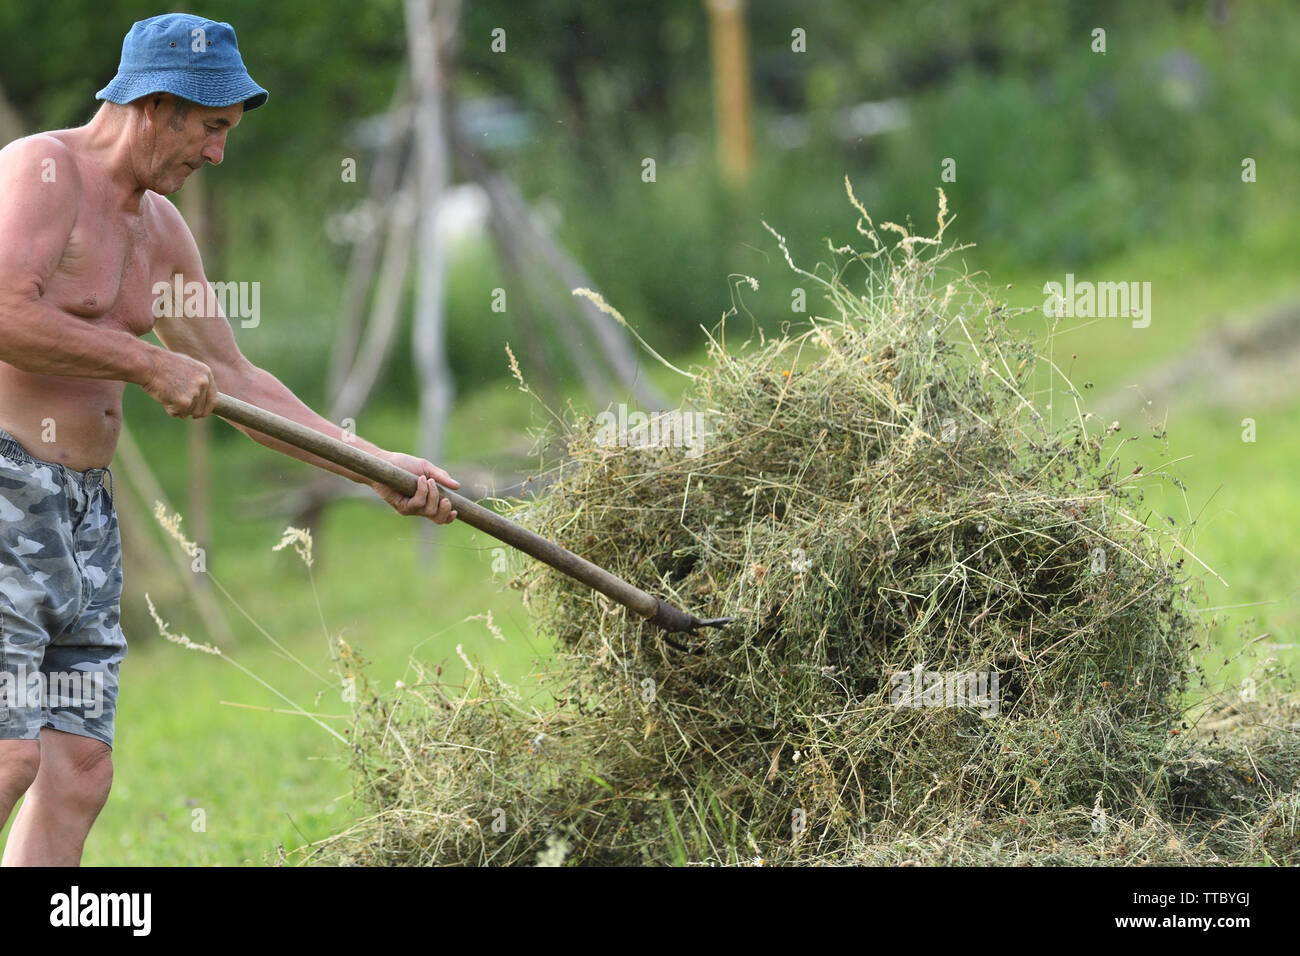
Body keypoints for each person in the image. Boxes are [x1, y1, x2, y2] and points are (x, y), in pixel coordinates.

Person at [0, 13, 457, 865]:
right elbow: (6, 311)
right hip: (6, 490)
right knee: (9, 756)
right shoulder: (43, 171)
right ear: (157, 104)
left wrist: (374, 466)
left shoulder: (160, 231)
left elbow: (237, 381)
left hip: (85, 518)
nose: (217, 153)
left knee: (81, 770)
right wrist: (144, 362)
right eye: (211, 128)